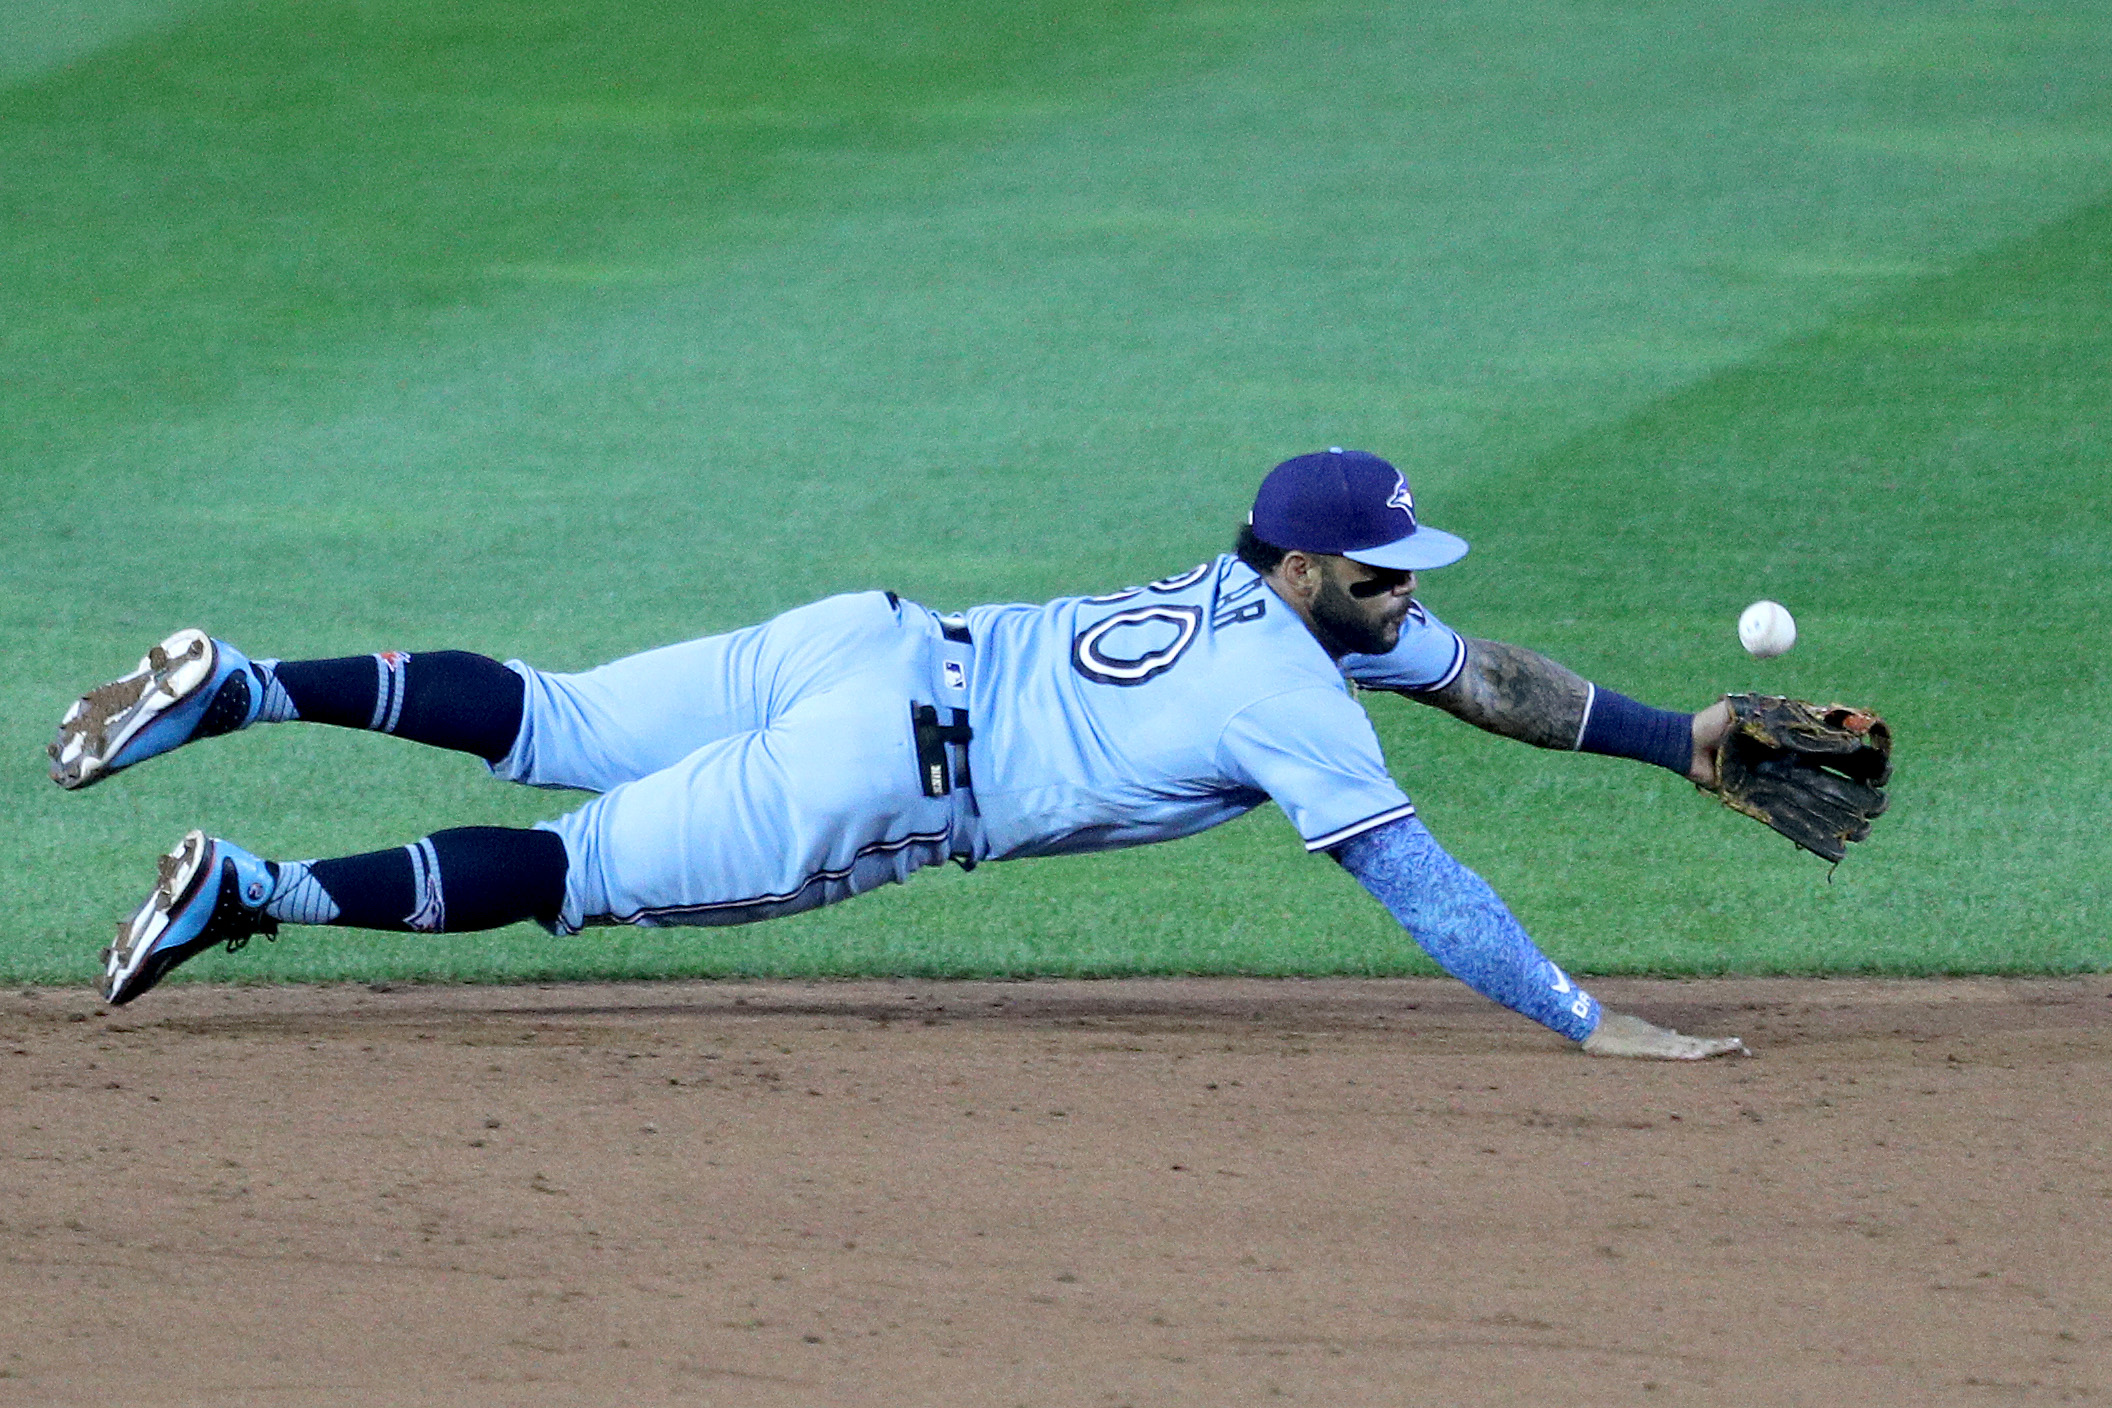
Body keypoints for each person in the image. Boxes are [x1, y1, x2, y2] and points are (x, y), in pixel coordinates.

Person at [53, 449, 1745, 1059]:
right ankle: (251, 894)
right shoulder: (1295, 696)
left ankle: (246, 688)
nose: (1408, 597)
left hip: (862, 640)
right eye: (1384, 575)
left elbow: (1487, 677)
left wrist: (1679, 741)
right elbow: (1423, 884)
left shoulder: (1278, 605)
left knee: (557, 714)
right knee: (575, 870)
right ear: (1305, 570)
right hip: (880, 780)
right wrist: (1588, 1020)